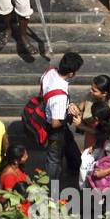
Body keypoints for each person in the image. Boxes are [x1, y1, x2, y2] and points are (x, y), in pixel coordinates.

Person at [39, 51, 83, 188]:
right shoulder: (59, 97)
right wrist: (70, 115)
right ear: (71, 73)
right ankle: (49, 190)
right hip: (55, 129)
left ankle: (75, 167)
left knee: (69, 144)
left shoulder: (49, 72)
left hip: (50, 112)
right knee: (53, 160)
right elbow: (56, 123)